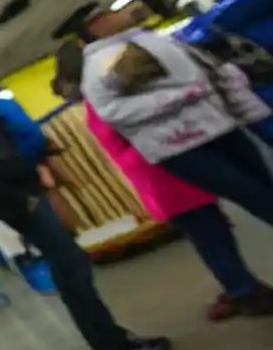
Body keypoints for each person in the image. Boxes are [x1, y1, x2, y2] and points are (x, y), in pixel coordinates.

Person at [0, 67, 171, 350]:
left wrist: (34, 173)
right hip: (20, 202)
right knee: (70, 267)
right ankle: (113, 348)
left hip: (27, 193)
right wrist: (17, 201)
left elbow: (1, 152)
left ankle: (112, 339)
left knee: (72, 264)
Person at [54, 41, 273, 318]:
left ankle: (242, 289)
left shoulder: (94, 107)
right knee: (212, 233)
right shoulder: (106, 102)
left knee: (211, 233)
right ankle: (244, 291)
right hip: (167, 174)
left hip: (160, 177)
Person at [81, 26, 273, 228]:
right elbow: (112, 111)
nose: (125, 11)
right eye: (112, 11)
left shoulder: (156, 41)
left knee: (262, 185)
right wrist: (177, 97)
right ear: (96, 23)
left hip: (220, 126)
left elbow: (211, 72)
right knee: (248, 192)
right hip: (179, 145)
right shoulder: (100, 66)